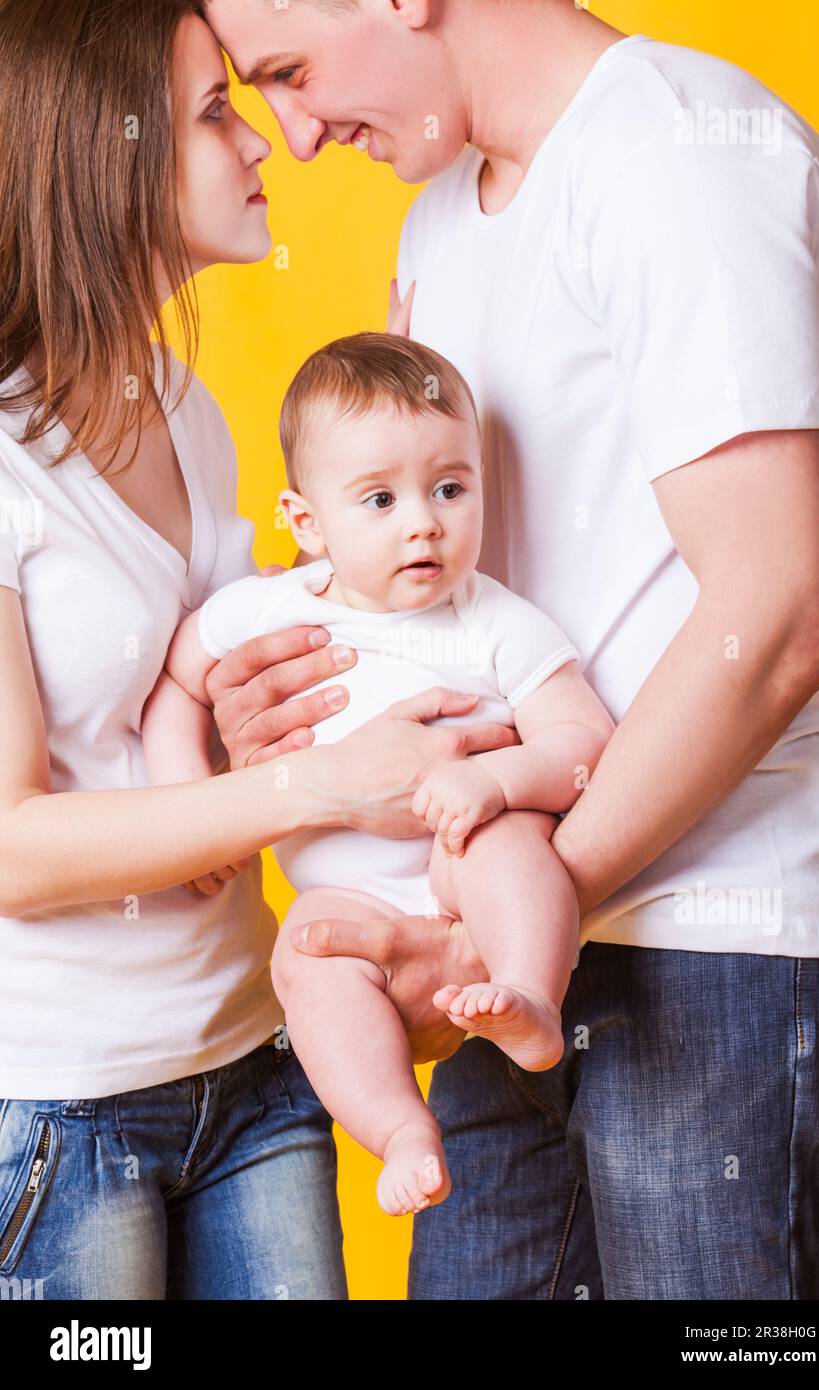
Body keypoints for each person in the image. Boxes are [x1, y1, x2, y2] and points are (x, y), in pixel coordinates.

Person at [201, 0, 819, 1298]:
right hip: (512, 946)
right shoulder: (442, 216)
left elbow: (775, 616)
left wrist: (512, 921)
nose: (296, 130)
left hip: (715, 938)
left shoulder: (675, 156)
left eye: (286, 71)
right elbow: (434, 563)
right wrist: (293, 687)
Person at [0, 0, 516, 1300]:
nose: (265, 141)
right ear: (98, 149)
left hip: (251, 1057)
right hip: (61, 1107)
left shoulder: (180, 406)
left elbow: (261, 672)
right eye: (216, 110)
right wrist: (324, 783)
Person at [141, 330, 614, 1215]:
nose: (423, 522)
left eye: (449, 488)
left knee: (502, 845)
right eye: (381, 500)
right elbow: (178, 681)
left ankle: (528, 996)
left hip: (457, 865)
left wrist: (499, 783)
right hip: (348, 904)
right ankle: (399, 1128)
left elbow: (584, 742)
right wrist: (194, 801)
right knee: (306, 957)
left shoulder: (492, 620)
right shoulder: (264, 608)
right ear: (306, 521)